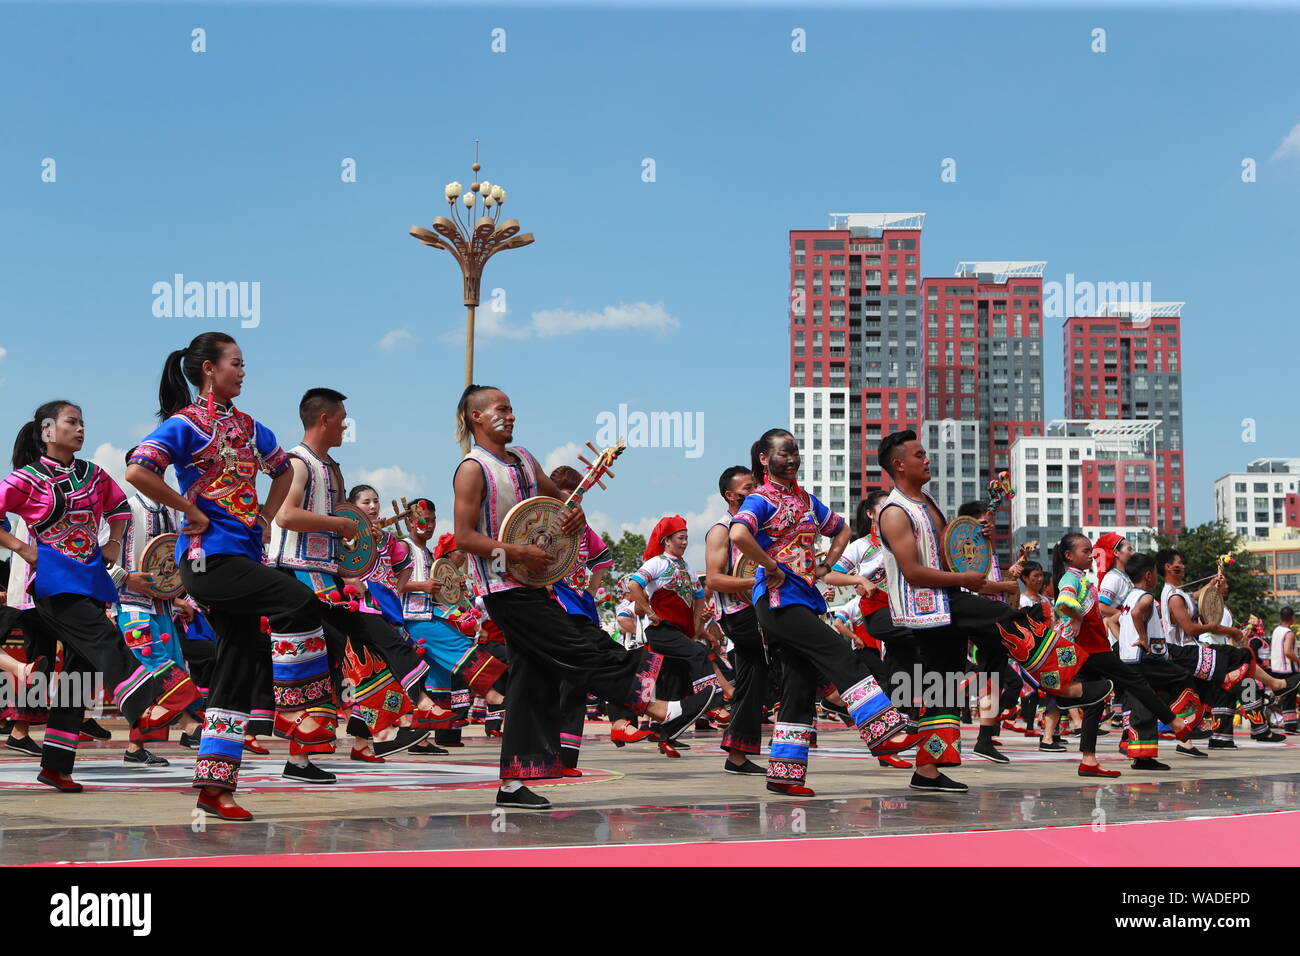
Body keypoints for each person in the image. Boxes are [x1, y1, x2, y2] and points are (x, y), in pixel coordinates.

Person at [451, 384, 714, 810]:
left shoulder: (524, 459)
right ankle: (660, 708)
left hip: (537, 585)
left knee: (532, 681)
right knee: (578, 646)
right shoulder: (472, 469)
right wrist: (517, 552)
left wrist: (573, 515)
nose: (512, 416)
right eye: (502, 409)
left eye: (514, 408)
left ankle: (514, 784)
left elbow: (559, 505)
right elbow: (464, 537)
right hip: (502, 588)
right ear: (477, 416)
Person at [126, 332, 329, 820]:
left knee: (234, 672)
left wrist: (264, 518)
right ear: (208, 370)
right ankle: (297, 711)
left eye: (243, 364)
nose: (243, 371)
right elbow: (137, 470)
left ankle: (215, 789)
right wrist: (187, 511)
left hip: (242, 556)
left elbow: (283, 471)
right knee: (299, 602)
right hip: (205, 560)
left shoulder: (249, 426)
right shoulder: (185, 425)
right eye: (235, 363)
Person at [874, 430, 1111, 793]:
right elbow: (912, 572)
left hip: (945, 600)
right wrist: (966, 577)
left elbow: (949, 550)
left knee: (945, 687)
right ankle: (1066, 686)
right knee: (1008, 621)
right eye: (919, 454)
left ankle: (927, 771)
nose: (926, 459)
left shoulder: (927, 503)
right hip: (927, 605)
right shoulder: (894, 512)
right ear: (899, 464)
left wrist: (976, 539)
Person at [1, 401, 193, 793]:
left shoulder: (93, 474)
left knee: (78, 675)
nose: (80, 429)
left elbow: (120, 507)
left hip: (91, 578)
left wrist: (115, 544)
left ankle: (56, 766)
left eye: (82, 422)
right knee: (103, 640)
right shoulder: (27, 479)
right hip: (54, 581)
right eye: (71, 422)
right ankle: (151, 699)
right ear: (47, 431)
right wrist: (21, 548)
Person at [729, 428, 920, 798]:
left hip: (803, 597)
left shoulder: (805, 500)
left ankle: (785, 773)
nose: (792, 457)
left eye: (795, 451)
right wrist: (769, 564)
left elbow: (842, 529)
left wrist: (826, 564)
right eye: (784, 452)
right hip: (777, 600)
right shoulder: (761, 499)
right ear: (765, 459)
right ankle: (881, 730)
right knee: (836, 651)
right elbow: (739, 535)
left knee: (799, 685)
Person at [269, 388, 443, 784]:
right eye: (342, 417)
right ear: (325, 419)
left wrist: (353, 551)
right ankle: (299, 749)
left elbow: (343, 535)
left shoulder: (332, 469)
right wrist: (343, 526)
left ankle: (419, 702)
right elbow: (286, 516)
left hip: (326, 576)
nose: (347, 424)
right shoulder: (297, 463)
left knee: (361, 643)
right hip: (293, 575)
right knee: (317, 662)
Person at [1053, 534, 1191, 778]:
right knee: (1135, 682)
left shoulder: (1082, 578)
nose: (1090, 555)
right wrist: (1074, 616)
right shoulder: (1071, 578)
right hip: (1093, 649)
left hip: (1091, 648)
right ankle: (1174, 721)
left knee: (1096, 702)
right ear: (1069, 555)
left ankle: (1089, 759)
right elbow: (1063, 601)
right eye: (1085, 551)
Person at [549, 465, 654, 773]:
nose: (572, 506)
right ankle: (624, 720)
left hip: (580, 609)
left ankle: (565, 759)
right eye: (566, 499)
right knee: (605, 662)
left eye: (577, 501)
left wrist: (590, 590)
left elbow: (603, 558)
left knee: (576, 684)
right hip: (555, 609)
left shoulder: (583, 529)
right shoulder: (543, 523)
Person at [113, 447, 206, 767]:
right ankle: (189, 725)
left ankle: (136, 748)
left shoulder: (173, 512)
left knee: (169, 665)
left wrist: (178, 596)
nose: (157, 471)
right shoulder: (122, 508)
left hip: (163, 606)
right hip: (131, 604)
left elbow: (171, 564)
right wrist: (125, 578)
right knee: (157, 667)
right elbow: (96, 555)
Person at [627, 516, 725, 757]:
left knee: (674, 686)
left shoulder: (687, 567)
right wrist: (649, 610)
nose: (684, 542)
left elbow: (699, 595)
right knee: (699, 654)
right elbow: (633, 585)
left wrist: (695, 624)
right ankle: (713, 703)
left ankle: (666, 735)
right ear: (666, 541)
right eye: (680, 538)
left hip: (679, 632)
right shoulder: (656, 564)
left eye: (686, 538)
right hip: (661, 631)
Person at [705, 466, 767, 775]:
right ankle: (837, 695)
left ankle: (737, 755)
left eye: (756, 486)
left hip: (756, 611)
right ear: (731, 495)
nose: (754, 491)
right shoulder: (722, 530)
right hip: (738, 617)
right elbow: (715, 580)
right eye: (747, 487)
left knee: (752, 681)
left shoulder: (756, 527)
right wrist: (759, 580)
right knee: (798, 650)